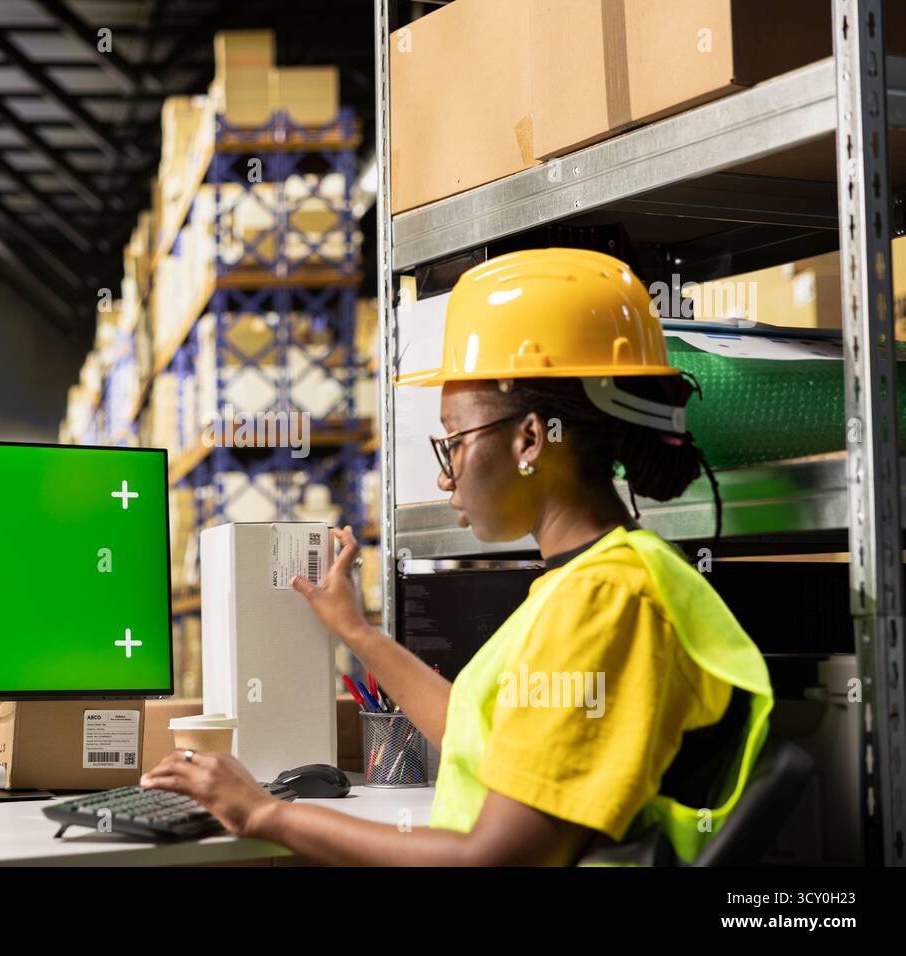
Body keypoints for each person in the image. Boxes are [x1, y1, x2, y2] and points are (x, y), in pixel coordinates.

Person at [140, 248, 773, 865]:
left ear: (530, 438)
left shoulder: (606, 601)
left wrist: (266, 814)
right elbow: (483, 739)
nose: (446, 478)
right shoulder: (588, 582)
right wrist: (355, 632)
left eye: (455, 444)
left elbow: (493, 857)